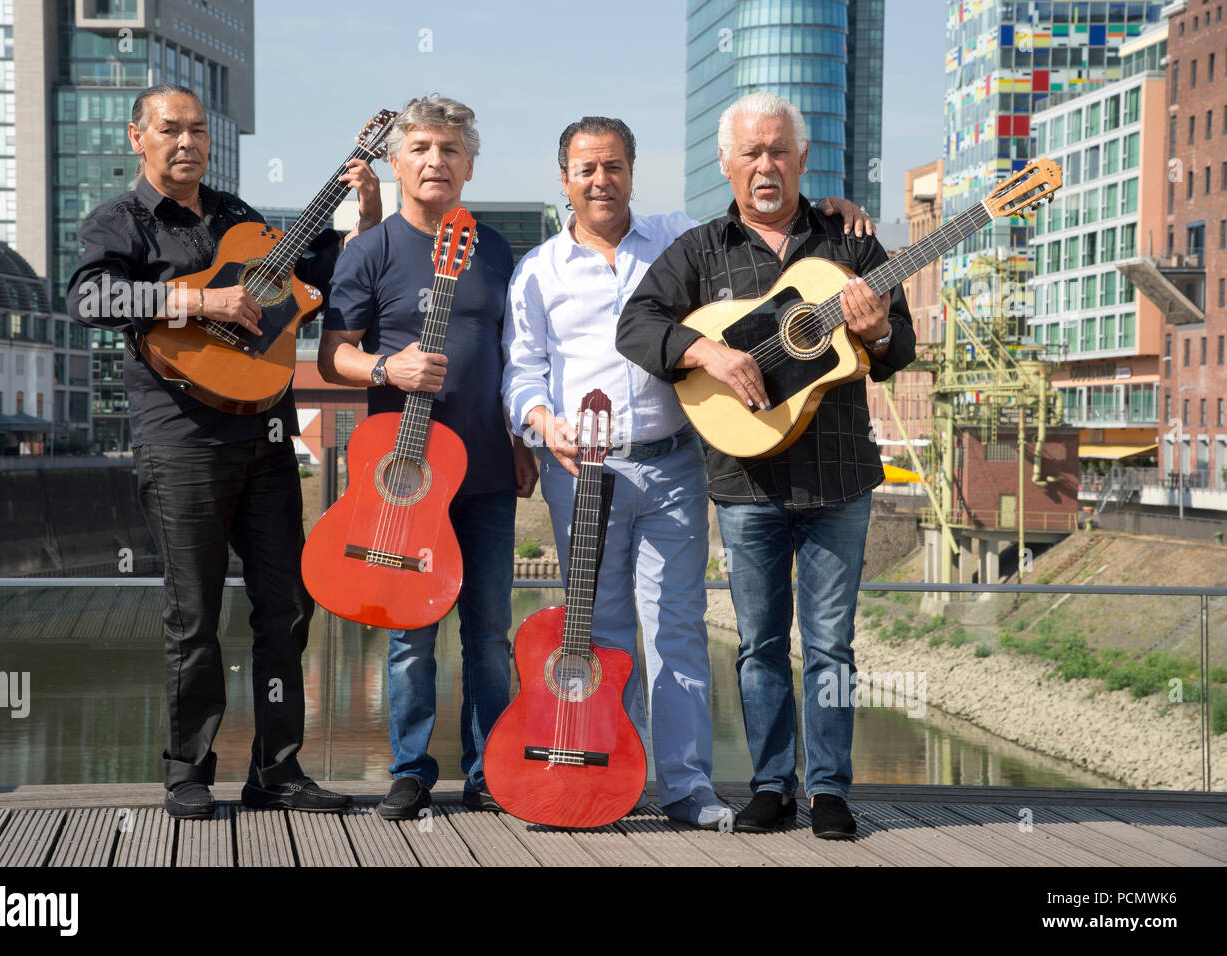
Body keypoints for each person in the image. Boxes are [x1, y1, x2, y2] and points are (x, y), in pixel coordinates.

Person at [504, 116, 875, 828]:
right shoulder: (538, 271)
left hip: (673, 465)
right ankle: (611, 782)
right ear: (565, 181)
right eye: (586, 169)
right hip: (581, 474)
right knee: (603, 638)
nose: (601, 180)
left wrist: (837, 207)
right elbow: (521, 370)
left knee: (676, 632)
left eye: (613, 166)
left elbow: (761, 200)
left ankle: (685, 788)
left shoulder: (678, 236)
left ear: (632, 172)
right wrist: (537, 419)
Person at [67, 84, 382, 818]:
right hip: (180, 441)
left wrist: (365, 217)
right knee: (194, 614)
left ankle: (277, 770)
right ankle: (188, 772)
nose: (187, 143)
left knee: (286, 607)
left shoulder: (239, 215)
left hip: (268, 438)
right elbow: (89, 300)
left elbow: (317, 273)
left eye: (198, 131)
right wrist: (195, 301)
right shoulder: (120, 222)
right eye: (170, 130)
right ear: (136, 138)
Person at [616, 92, 915, 839]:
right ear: (726, 163)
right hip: (744, 479)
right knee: (756, 644)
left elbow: (899, 351)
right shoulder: (700, 250)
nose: (765, 165)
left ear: (803, 158)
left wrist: (876, 335)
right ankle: (772, 786)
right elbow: (637, 323)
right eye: (750, 152)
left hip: (838, 476)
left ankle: (832, 790)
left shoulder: (852, 246)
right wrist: (707, 349)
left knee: (830, 643)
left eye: (779, 150)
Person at [318, 95, 538, 821]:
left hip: (485, 473)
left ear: (470, 164)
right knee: (410, 639)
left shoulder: (499, 249)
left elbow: (519, 357)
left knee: (488, 635)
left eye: (449, 149)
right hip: (404, 484)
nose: (435, 161)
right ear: (395, 159)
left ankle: (488, 772)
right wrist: (388, 369)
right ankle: (410, 771)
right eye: (420, 148)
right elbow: (334, 355)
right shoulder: (368, 250)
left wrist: (519, 438)